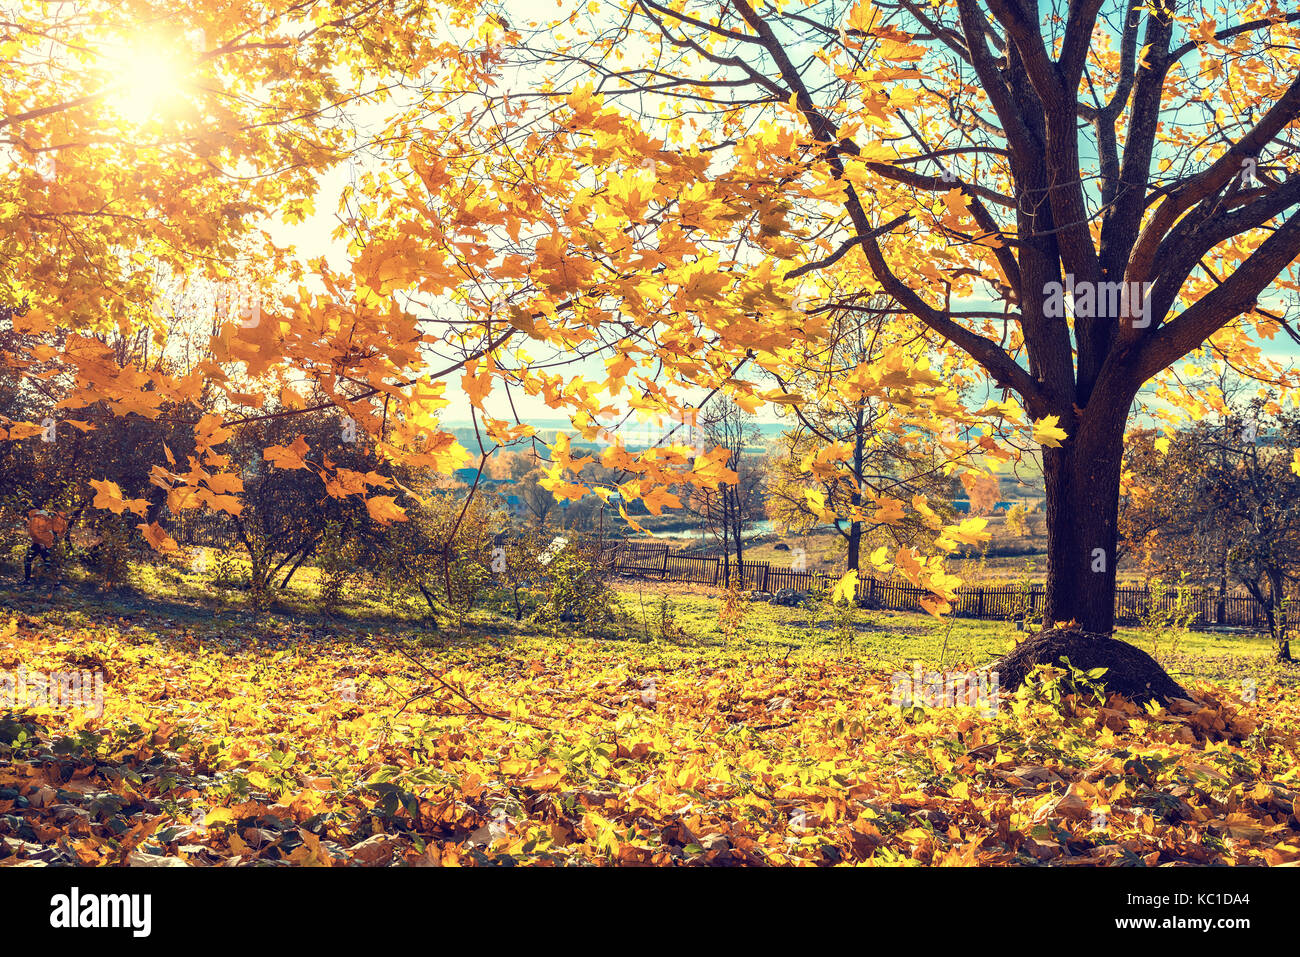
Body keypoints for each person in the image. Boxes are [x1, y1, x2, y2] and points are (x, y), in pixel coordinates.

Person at [24, 509, 68, 582]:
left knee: (29, 560)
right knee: (48, 562)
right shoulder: (47, 519)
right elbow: (56, 530)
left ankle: (27, 580)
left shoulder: (36, 519)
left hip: (40, 543)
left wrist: (41, 542)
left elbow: (35, 533)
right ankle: (56, 582)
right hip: (45, 543)